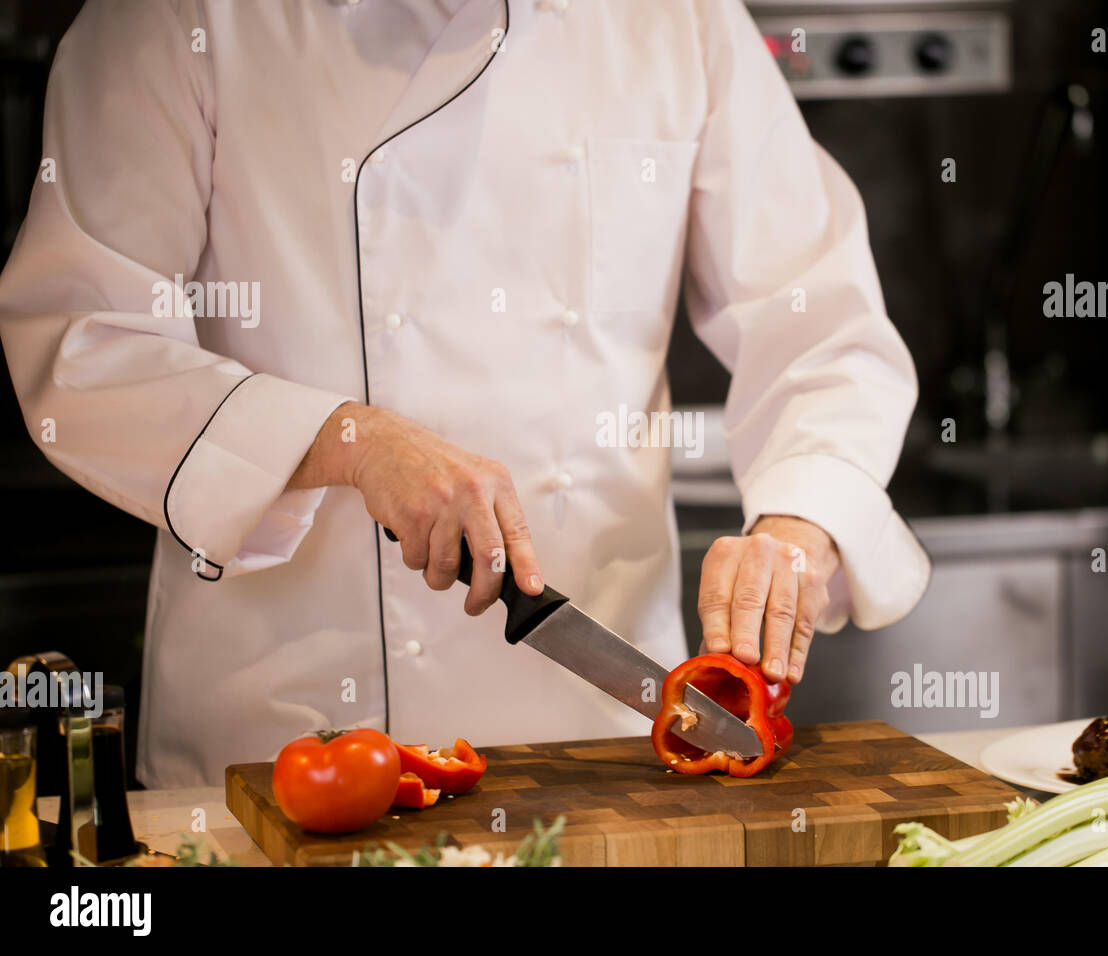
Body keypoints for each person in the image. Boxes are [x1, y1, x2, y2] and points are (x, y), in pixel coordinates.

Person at [0, 0, 930, 788]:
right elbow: (82, 343)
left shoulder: (673, 16)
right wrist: (344, 440)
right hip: (290, 743)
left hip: (600, 741)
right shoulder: (176, 18)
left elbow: (821, 322)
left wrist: (798, 523)